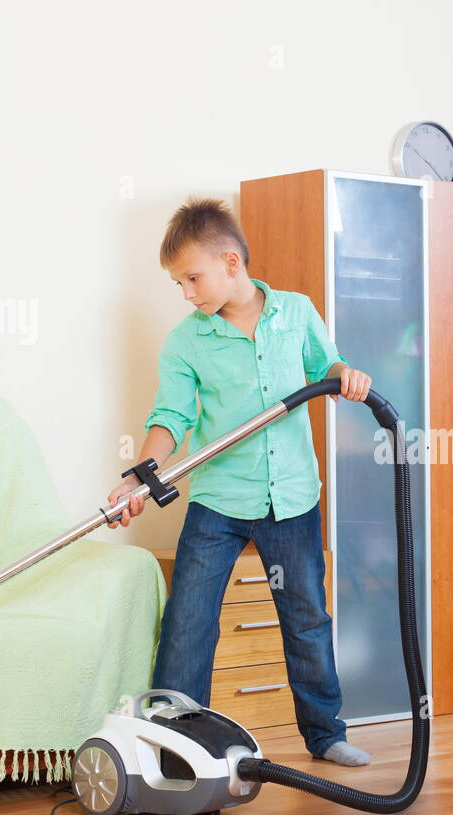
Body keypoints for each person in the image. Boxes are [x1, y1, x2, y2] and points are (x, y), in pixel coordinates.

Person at [107, 197, 375, 767]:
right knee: (189, 619)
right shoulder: (187, 341)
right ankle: (171, 739)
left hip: (293, 498)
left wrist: (343, 375)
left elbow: (325, 364)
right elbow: (171, 419)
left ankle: (326, 734)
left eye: (192, 278)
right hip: (219, 499)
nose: (187, 293)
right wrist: (138, 477)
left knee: (307, 618)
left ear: (231, 262)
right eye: (179, 283)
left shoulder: (296, 313)